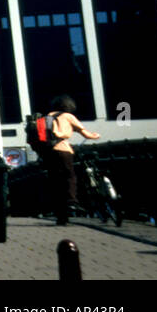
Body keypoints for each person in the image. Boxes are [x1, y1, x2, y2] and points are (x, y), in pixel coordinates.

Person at [42, 94, 100, 224]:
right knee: (70, 176)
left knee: (56, 182)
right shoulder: (68, 116)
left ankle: (61, 217)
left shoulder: (47, 117)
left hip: (48, 153)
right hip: (63, 150)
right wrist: (95, 136)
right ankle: (72, 201)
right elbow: (86, 134)